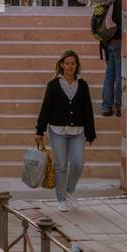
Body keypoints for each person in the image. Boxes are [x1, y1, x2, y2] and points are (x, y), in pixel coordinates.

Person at [36, 50, 97, 212]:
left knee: (77, 163)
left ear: (77, 66)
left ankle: (69, 190)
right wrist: (39, 130)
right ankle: (61, 199)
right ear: (62, 65)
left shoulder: (83, 85)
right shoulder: (53, 85)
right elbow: (45, 109)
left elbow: (87, 110)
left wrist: (91, 132)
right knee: (61, 165)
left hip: (78, 131)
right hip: (57, 131)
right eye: (67, 63)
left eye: (73, 63)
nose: (70, 66)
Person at [95, 0, 124, 117]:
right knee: (119, 74)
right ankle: (119, 105)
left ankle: (106, 107)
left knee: (109, 74)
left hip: (106, 41)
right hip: (119, 40)